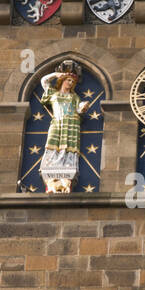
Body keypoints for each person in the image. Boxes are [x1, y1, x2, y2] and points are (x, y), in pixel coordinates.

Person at [39, 63, 90, 193]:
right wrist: (55, 75)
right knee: (52, 144)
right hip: (58, 121)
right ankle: (51, 171)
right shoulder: (53, 93)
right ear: (62, 80)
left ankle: (66, 173)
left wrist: (83, 107)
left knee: (69, 147)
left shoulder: (74, 96)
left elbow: (78, 110)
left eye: (72, 81)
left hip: (72, 123)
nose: (70, 83)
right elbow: (44, 81)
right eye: (68, 80)